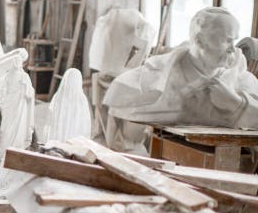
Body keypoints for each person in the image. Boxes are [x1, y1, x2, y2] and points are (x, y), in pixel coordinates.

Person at [104, 7, 258, 131]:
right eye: (227, 40)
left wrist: (237, 104)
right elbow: (118, 93)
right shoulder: (156, 76)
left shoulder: (240, 79)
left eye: (235, 40)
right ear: (199, 41)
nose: (233, 49)